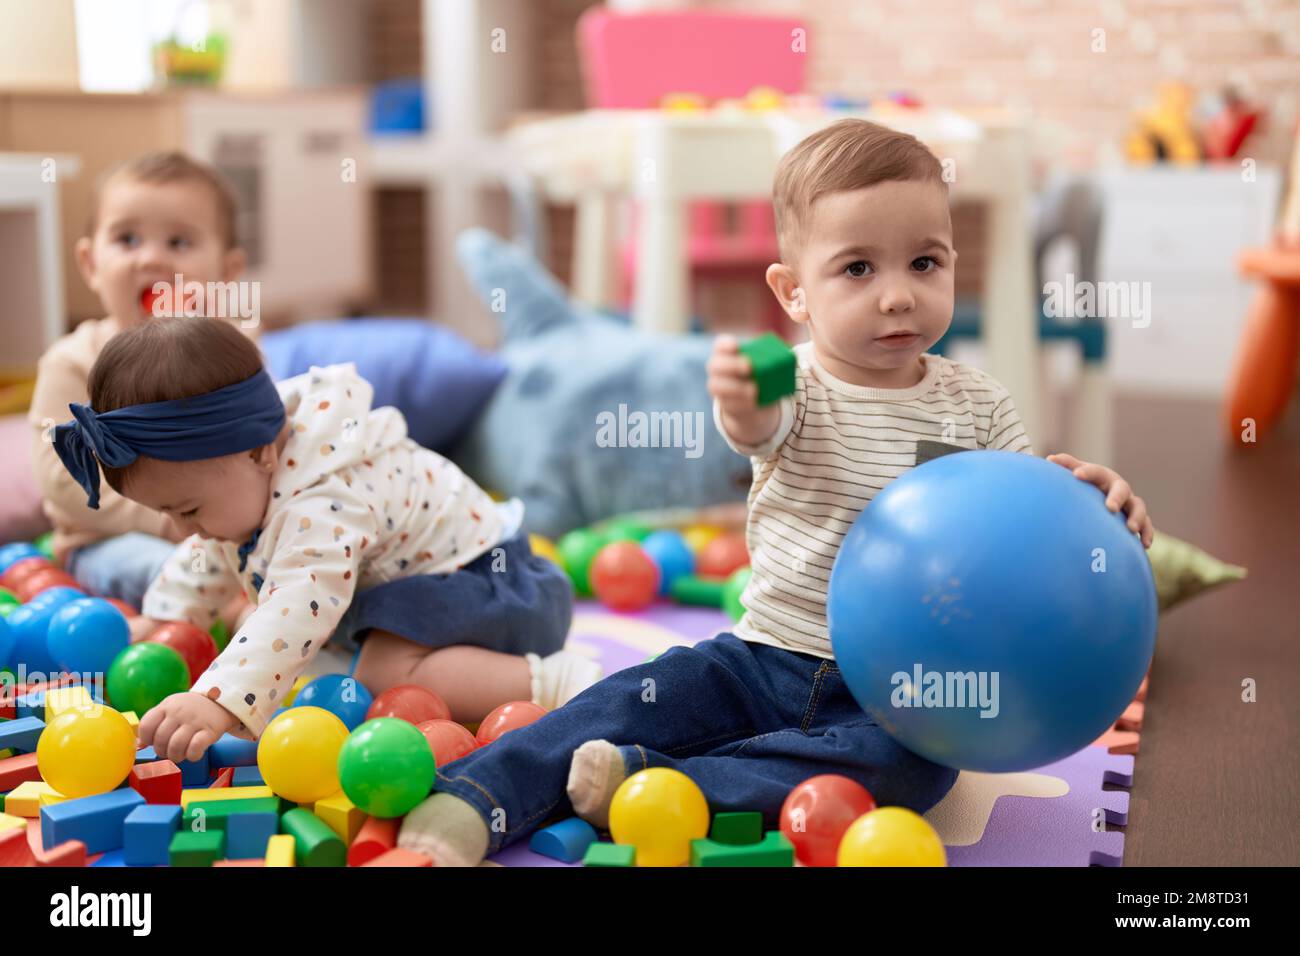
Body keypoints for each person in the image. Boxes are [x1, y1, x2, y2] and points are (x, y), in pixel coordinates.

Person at [392, 118, 1155, 866]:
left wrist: (1096, 501)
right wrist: (740, 401)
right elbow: (759, 426)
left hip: (899, 693)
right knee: (629, 697)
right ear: (793, 293)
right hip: (765, 656)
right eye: (858, 269)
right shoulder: (795, 383)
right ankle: (479, 798)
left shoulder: (979, 403)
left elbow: (1024, 523)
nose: (897, 296)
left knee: (913, 775)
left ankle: (664, 786)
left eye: (924, 263)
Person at [52, 317, 600, 764]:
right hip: (420, 593)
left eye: (188, 509)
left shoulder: (323, 497)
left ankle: (553, 679)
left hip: (499, 589)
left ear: (260, 453)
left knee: (377, 672)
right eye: (167, 513)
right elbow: (212, 553)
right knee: (261, 623)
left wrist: (215, 700)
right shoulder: (246, 468)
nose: (181, 529)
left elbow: (298, 600)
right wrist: (167, 620)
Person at [30, 152, 253, 614]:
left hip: (227, 531)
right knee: (185, 571)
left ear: (227, 273)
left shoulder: (232, 359)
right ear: (91, 263)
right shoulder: (72, 362)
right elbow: (62, 481)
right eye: (127, 239)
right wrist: (172, 521)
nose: (151, 258)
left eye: (178, 241)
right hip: (109, 541)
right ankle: (241, 621)